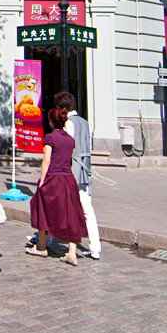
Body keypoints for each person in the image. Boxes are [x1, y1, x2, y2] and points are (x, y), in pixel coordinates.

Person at [27, 108, 87, 265]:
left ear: (51, 122)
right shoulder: (69, 139)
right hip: (68, 179)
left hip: (53, 178)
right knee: (70, 213)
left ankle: (41, 247)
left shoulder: (50, 138)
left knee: (41, 208)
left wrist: (42, 180)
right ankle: (72, 252)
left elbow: (46, 161)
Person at [58, 91, 101, 260]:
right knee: (88, 210)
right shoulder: (84, 121)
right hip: (86, 168)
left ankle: (65, 243)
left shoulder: (69, 123)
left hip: (74, 168)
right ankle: (95, 247)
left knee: (70, 207)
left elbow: (68, 147)